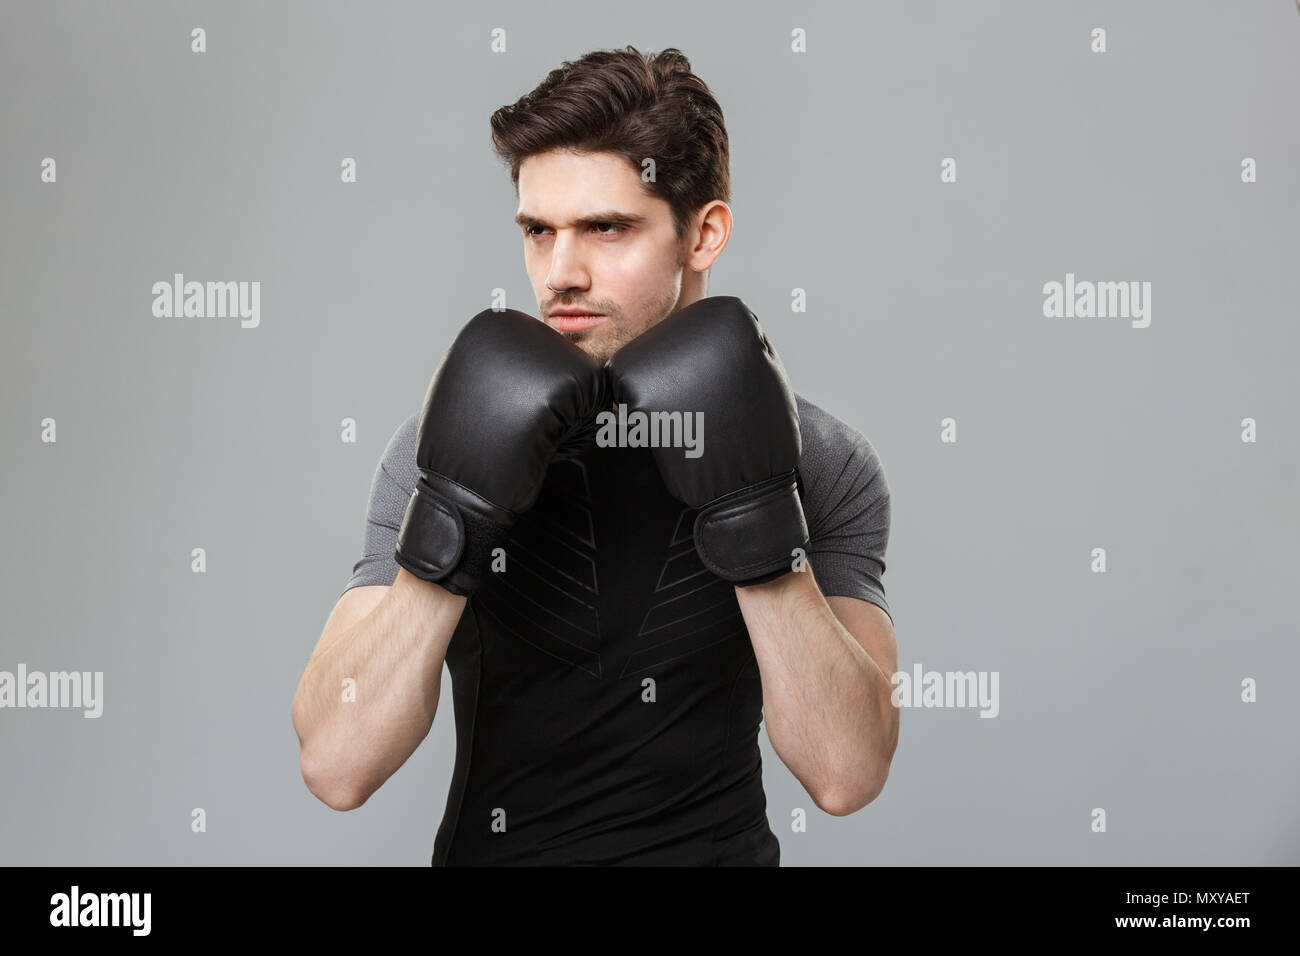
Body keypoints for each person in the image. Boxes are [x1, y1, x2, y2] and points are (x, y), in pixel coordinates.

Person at [291, 46, 898, 866]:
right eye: (539, 232)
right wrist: (454, 521)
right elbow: (336, 766)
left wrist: (756, 518)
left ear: (704, 233)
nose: (560, 274)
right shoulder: (440, 446)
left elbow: (847, 774)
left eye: (606, 229)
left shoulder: (819, 458)